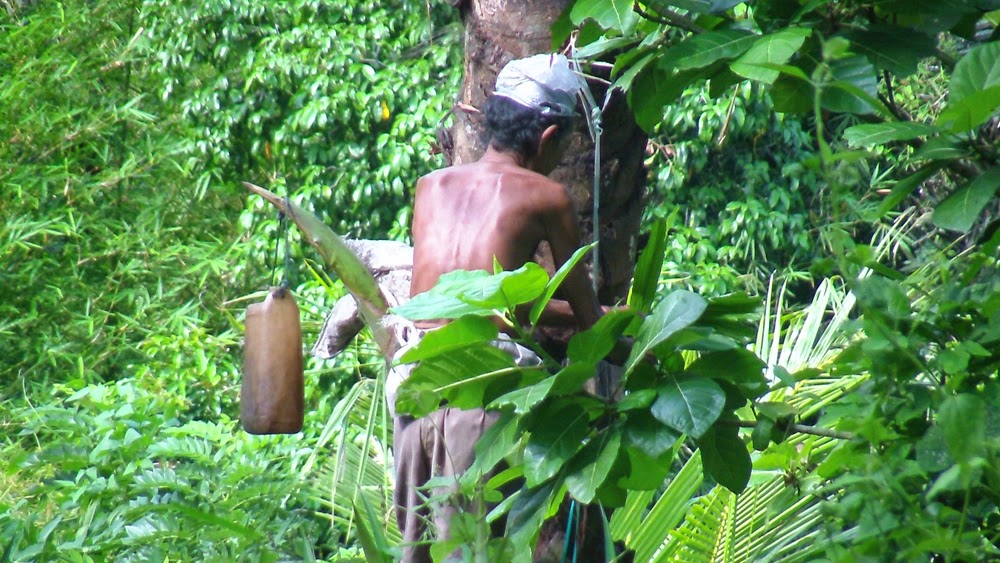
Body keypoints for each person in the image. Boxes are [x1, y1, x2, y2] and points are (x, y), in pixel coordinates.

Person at [390, 54, 603, 563]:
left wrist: (567, 314)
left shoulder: (430, 186)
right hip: (479, 396)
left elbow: (474, 295)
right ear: (549, 137)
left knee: (416, 551)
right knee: (476, 552)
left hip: (414, 382)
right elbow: (592, 322)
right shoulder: (545, 194)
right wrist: (632, 332)